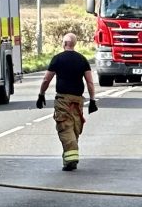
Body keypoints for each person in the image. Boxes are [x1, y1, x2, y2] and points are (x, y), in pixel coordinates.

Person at [35, 33, 98, 170]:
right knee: (75, 126)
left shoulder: (57, 59)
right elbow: (90, 82)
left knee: (65, 127)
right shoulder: (82, 59)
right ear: (74, 44)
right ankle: (69, 158)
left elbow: (46, 79)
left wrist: (41, 94)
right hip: (78, 100)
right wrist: (92, 100)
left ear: (64, 43)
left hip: (63, 99)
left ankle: (71, 159)